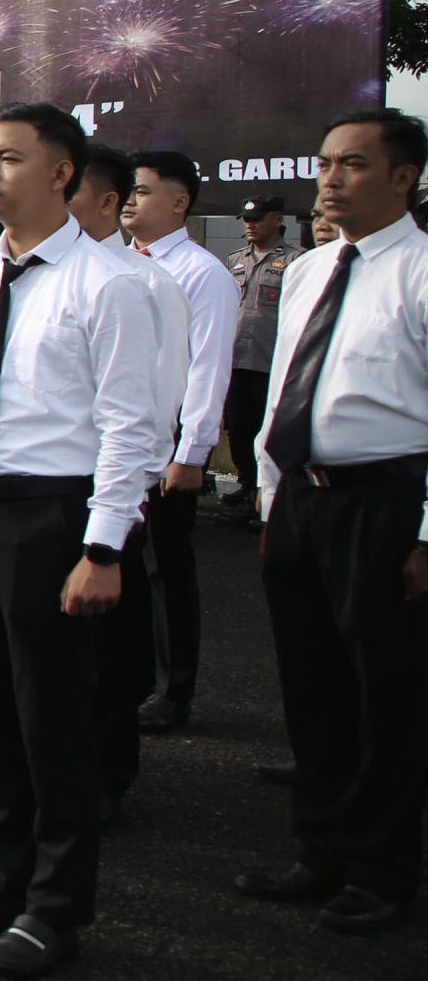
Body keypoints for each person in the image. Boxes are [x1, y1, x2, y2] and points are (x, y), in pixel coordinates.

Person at [0, 104, 160, 981]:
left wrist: (104, 547)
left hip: (54, 519)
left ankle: (56, 907)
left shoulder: (109, 283)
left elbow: (132, 425)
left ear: (61, 173)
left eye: (9, 157)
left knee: (52, 716)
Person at [237, 107, 428, 936]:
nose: (330, 178)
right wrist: (273, 500)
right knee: (312, 684)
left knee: (385, 692)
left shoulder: (422, 269)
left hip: (384, 501)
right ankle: (319, 848)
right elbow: (285, 386)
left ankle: (384, 868)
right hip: (304, 501)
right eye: (325, 163)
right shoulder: (312, 269)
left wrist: (427, 533)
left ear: (404, 176)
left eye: (352, 164)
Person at [70, 145, 190, 828]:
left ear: (108, 201)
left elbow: (158, 400)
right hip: (43, 489)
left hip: (110, 492)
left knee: (109, 652)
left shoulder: (144, 283)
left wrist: (125, 508)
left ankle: (110, 773)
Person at [122, 152, 238, 733]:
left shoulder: (202, 273)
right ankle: (134, 679)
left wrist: (190, 454)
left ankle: (175, 690)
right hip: (122, 438)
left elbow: (207, 369)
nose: (129, 200)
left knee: (166, 567)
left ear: (180, 202)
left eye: (141, 191)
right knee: (121, 564)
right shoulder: (117, 263)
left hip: (168, 442)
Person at [222, 197, 300, 528]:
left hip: (272, 362)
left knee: (265, 430)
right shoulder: (235, 260)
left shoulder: (296, 261)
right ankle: (246, 483)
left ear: (277, 219)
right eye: (246, 219)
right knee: (238, 427)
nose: (250, 224)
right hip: (237, 361)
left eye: (257, 218)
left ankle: (267, 494)